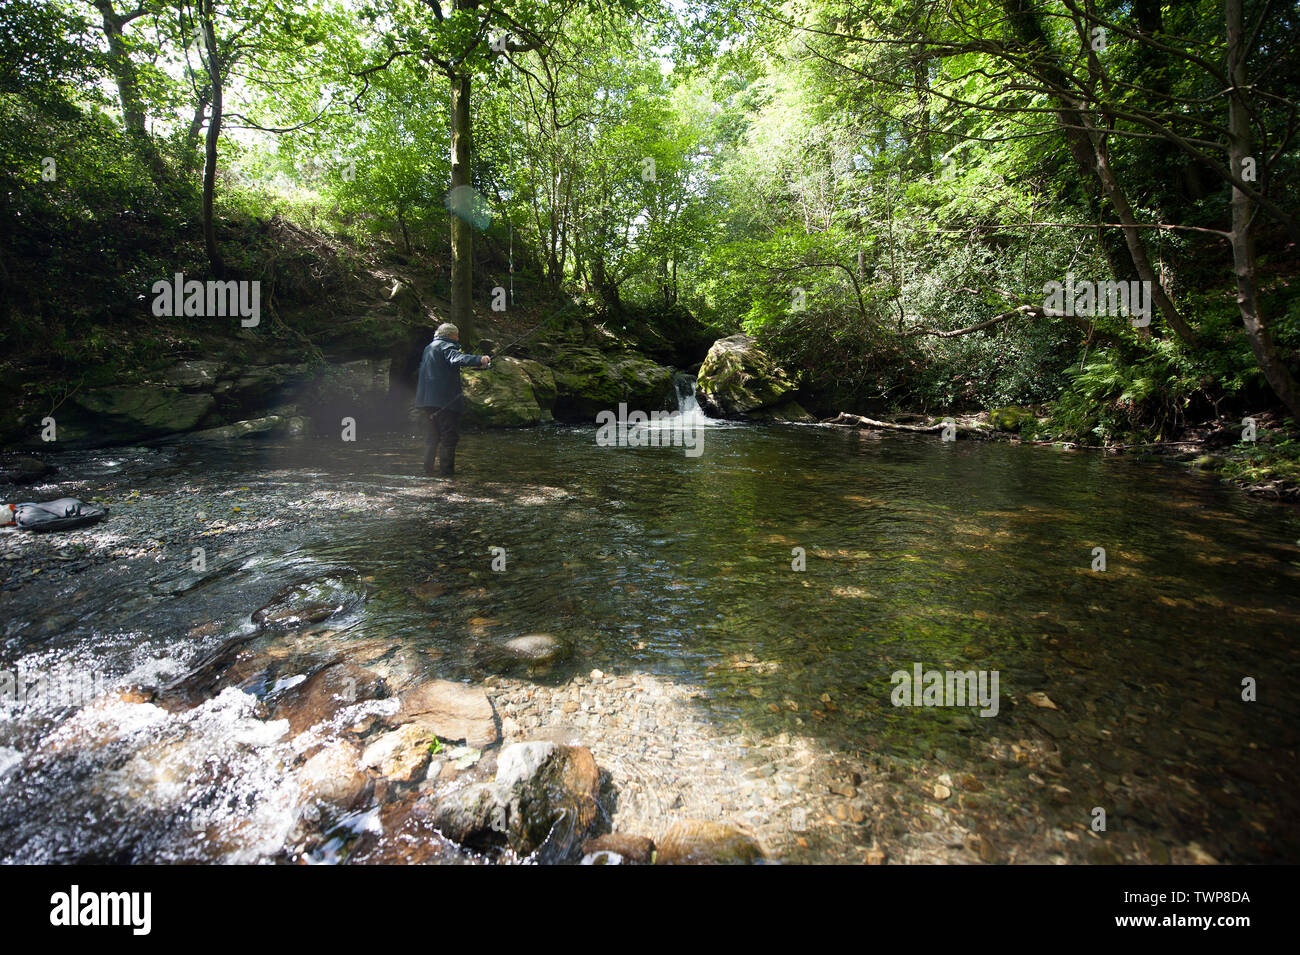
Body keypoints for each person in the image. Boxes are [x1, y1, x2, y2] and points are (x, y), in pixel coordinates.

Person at [415, 323, 490, 476]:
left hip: (426, 402)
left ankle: (427, 471)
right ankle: (446, 475)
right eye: (457, 335)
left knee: (432, 437)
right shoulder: (446, 346)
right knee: (449, 438)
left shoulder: (429, 348)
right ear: (451, 335)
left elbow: (444, 367)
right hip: (445, 403)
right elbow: (456, 358)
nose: (458, 338)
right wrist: (480, 359)